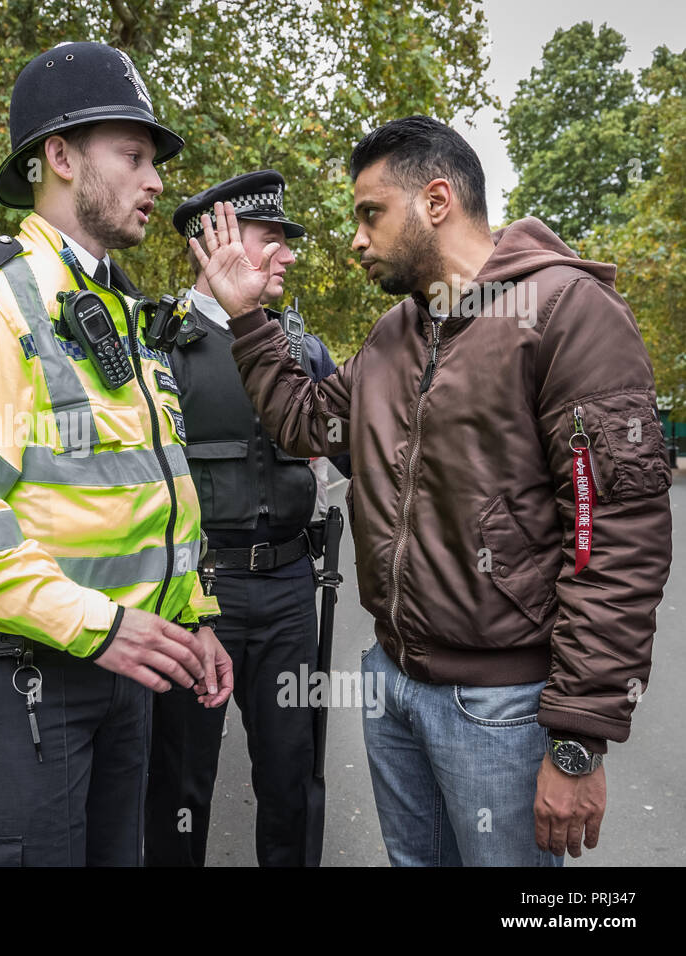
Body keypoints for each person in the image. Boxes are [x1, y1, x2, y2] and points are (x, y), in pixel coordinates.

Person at [191, 115, 672, 866]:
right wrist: (247, 318)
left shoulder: (565, 314)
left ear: (437, 201)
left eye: (369, 213)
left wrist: (578, 738)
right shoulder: (394, 335)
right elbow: (306, 424)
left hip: (502, 708)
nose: (356, 238)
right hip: (392, 685)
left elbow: (614, 539)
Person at [0, 41, 232, 868]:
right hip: (26, 685)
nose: (156, 181)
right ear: (60, 157)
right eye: (135, 156)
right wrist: (96, 628)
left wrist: (192, 614)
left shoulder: (114, 305)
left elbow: (147, 492)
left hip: (124, 666)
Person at [145, 170, 349, 867]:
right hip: (198, 596)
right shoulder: (159, 350)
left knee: (291, 779)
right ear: (216, 246)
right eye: (272, 240)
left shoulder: (304, 349)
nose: (289, 255)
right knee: (180, 784)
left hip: (292, 589)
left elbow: (357, 453)